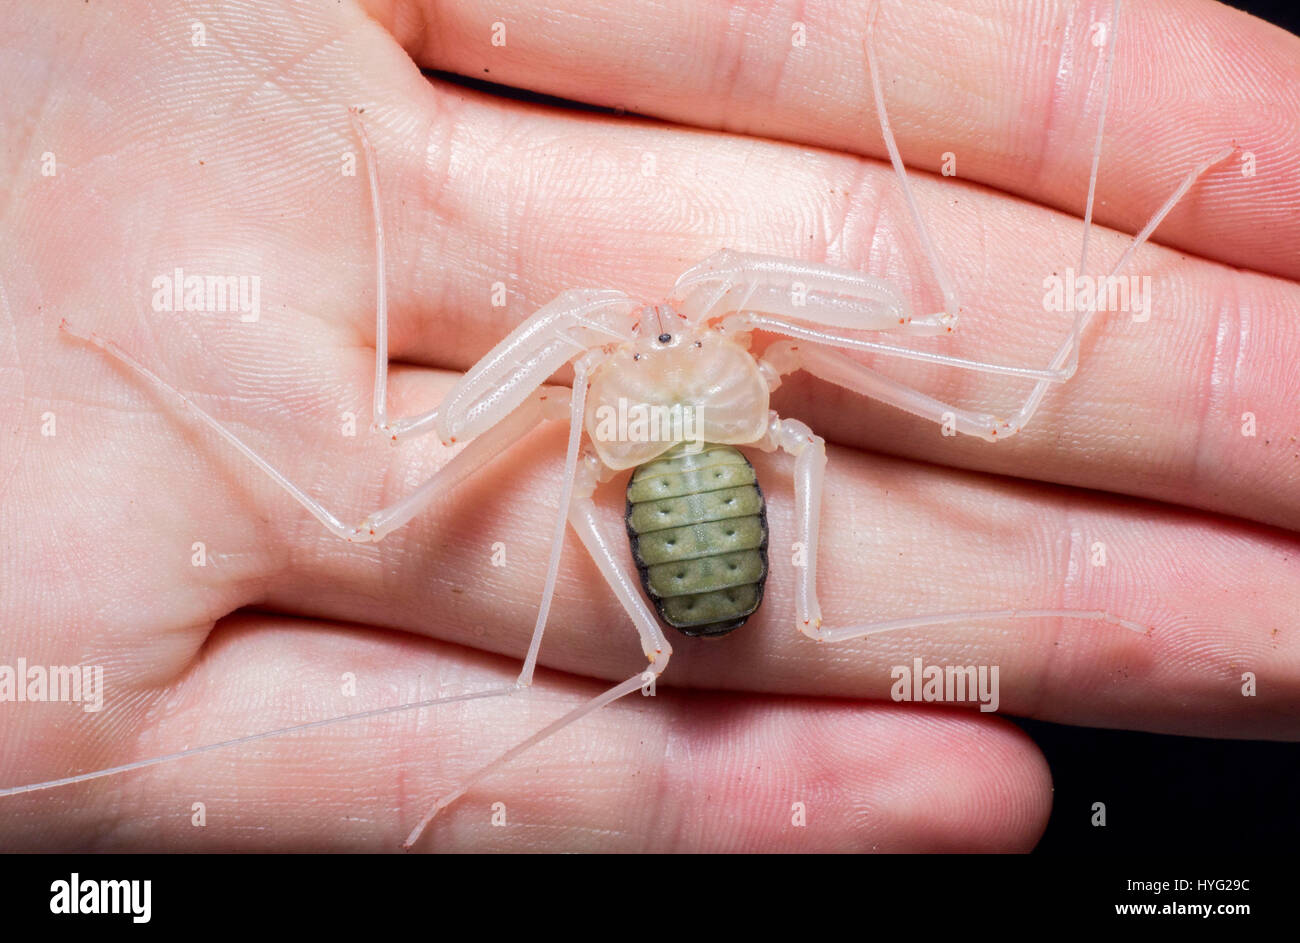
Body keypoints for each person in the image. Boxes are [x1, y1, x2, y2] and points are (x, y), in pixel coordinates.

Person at [1, 0, 1296, 851]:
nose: (668, 326)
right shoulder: (701, 382)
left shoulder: (626, 387)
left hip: (690, 483)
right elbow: (397, 493)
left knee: (980, 406)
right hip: (691, 485)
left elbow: (947, 359)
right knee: (388, 501)